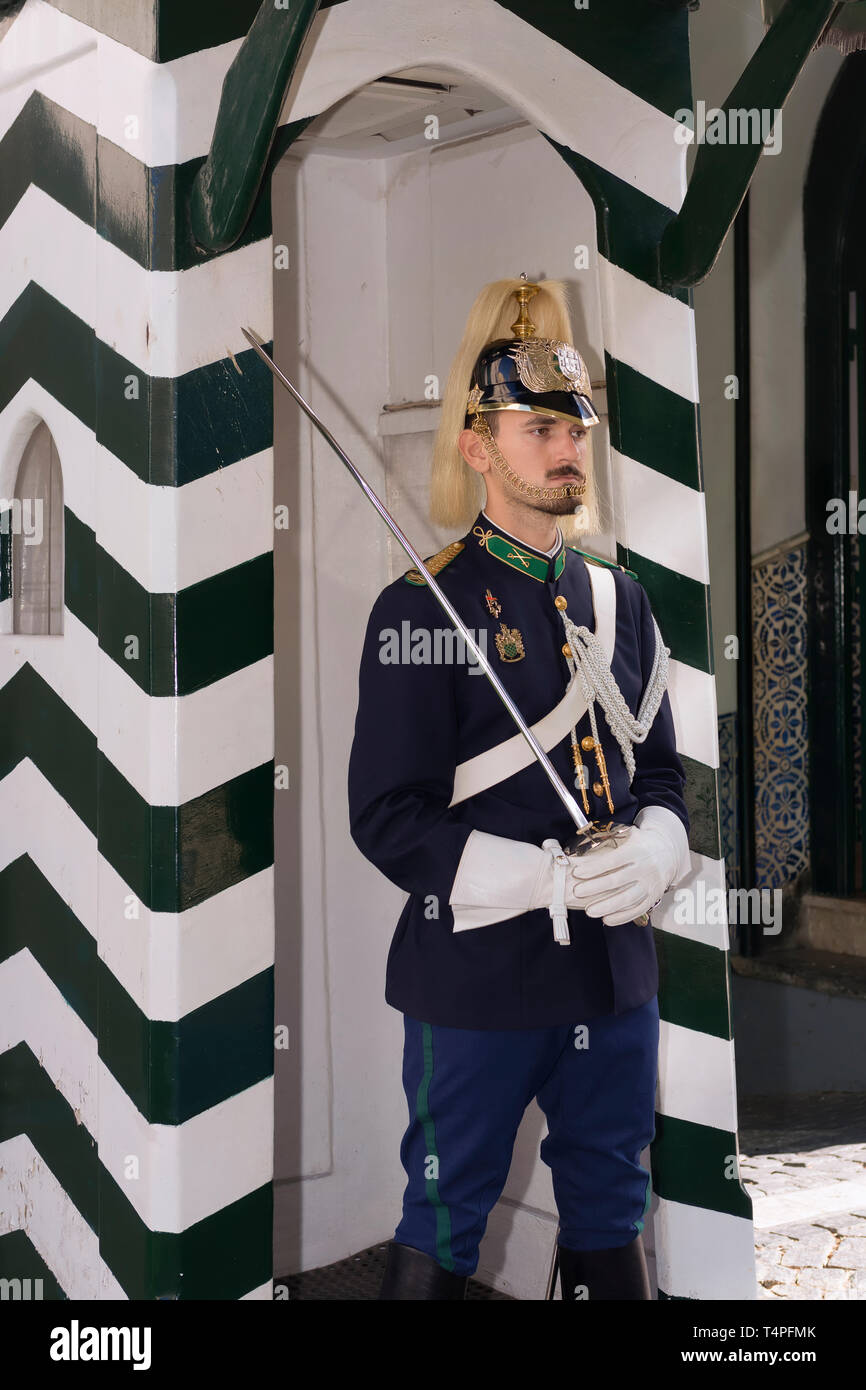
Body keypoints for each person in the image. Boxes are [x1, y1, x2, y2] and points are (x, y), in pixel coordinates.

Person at [347, 277, 692, 1300]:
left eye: (574, 425)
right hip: (475, 984)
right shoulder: (422, 606)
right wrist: (538, 880)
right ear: (476, 447)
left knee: (608, 1214)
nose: (565, 446)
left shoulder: (618, 598)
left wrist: (661, 844)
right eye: (537, 425)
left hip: (611, 979)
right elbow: (387, 817)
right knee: (445, 1222)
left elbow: (658, 768)